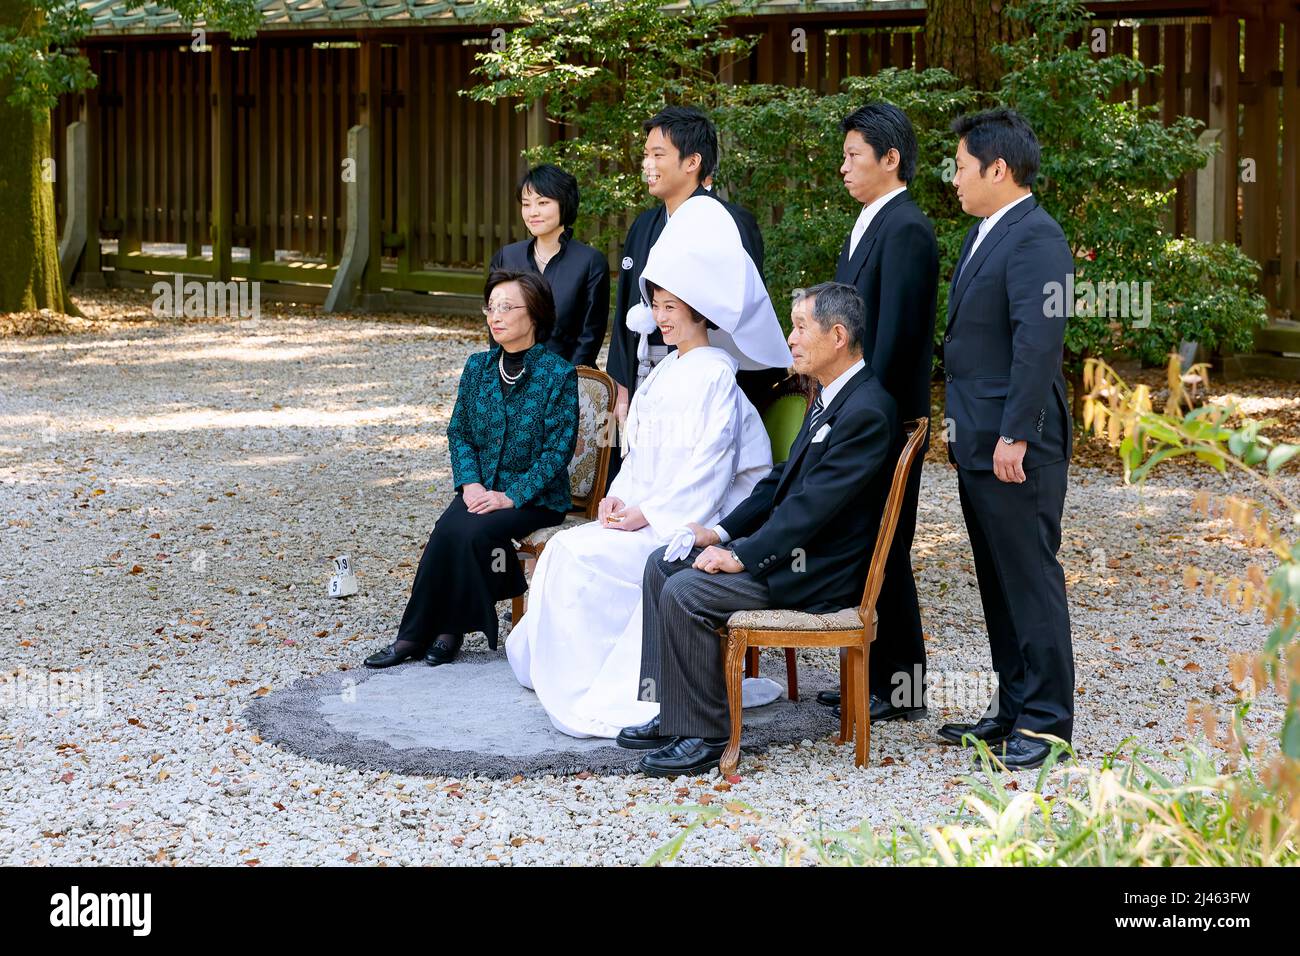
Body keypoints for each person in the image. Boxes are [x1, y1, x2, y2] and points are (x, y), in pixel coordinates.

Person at [507, 194, 792, 739]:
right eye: (656, 306)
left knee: (579, 556)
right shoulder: (665, 372)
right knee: (569, 548)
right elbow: (639, 456)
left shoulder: (715, 375)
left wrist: (649, 514)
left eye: (670, 308)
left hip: (688, 522)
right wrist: (618, 498)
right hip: (647, 509)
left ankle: (631, 686)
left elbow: (709, 475)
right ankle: (566, 672)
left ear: (698, 311)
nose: (659, 319)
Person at [618, 283, 898, 777]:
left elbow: (812, 509)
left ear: (837, 336)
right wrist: (719, 533)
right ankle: (673, 713)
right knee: (662, 562)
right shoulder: (832, 395)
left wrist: (743, 556)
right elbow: (777, 485)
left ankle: (705, 735)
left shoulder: (868, 410)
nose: (790, 339)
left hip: (817, 571)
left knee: (687, 591)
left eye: (800, 328)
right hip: (794, 553)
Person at [939, 108, 1075, 770]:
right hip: (976, 439)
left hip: (1017, 442)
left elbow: (1038, 343)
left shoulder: (1036, 238)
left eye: (961, 167)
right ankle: (1014, 705)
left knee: (1029, 577)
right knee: (997, 580)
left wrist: (1015, 434)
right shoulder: (983, 233)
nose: (954, 180)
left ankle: (1048, 723)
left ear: (998, 169)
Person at [363, 270, 578, 669]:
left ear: (534, 314)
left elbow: (557, 451)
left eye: (506, 307)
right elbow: (458, 431)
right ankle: (416, 635)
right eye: (490, 307)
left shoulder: (557, 374)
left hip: (535, 497)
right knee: (448, 530)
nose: (495, 316)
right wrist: (470, 483)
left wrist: (509, 495)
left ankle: (448, 630)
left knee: (473, 531)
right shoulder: (478, 367)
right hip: (481, 491)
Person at [819, 103, 939, 723]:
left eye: (853, 156)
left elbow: (896, 341)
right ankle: (870, 673)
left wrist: (866, 417)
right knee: (865, 544)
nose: (843, 167)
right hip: (860, 412)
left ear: (890, 160)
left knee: (889, 545)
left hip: (886, 419)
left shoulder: (908, 229)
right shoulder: (867, 223)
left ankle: (904, 687)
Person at [605, 107, 779, 445]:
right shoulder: (645, 226)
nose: (648, 165)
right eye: (646, 155)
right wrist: (621, 383)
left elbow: (736, 310)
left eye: (658, 155)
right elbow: (627, 305)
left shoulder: (730, 222)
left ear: (692, 162)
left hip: (705, 383)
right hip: (647, 373)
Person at [490, 164, 610, 367]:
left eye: (543, 202)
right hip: (512, 376)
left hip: (569, 379)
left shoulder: (590, 262)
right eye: (526, 204)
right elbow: (496, 324)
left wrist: (564, 383)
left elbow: (589, 337)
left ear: (564, 204)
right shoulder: (507, 257)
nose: (532, 212)